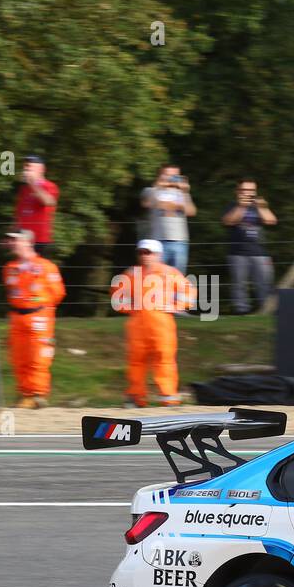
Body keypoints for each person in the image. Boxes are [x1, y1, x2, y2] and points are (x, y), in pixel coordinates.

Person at [110, 239, 194, 407]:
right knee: (136, 361)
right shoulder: (131, 274)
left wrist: (175, 306)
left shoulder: (170, 273)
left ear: (158, 254)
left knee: (164, 359)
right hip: (137, 323)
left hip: (162, 322)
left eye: (148, 252)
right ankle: (135, 397)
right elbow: (116, 296)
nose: (144, 256)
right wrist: (129, 308)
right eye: (141, 252)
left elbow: (188, 293)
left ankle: (168, 396)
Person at [1, 229, 65, 408]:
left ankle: (38, 394)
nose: (12, 243)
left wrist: (43, 310)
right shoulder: (9, 268)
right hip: (16, 316)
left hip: (39, 316)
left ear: (28, 242)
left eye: (16, 240)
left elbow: (58, 293)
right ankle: (25, 394)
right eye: (11, 240)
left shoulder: (46, 266)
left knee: (39, 357)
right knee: (18, 357)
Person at [221, 178, 276, 314]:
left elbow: (271, 220)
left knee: (264, 283)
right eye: (245, 190)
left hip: (259, 252)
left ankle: (267, 311)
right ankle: (241, 311)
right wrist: (242, 206)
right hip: (237, 252)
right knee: (239, 284)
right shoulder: (232, 206)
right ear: (238, 191)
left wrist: (262, 207)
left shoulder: (259, 206)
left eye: (251, 190)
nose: (249, 193)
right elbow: (228, 222)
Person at [140, 164, 196, 274]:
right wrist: (158, 186)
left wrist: (185, 192)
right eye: (167, 175)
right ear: (160, 175)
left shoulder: (182, 194)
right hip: (157, 242)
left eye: (175, 176)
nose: (171, 179)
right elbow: (146, 203)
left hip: (180, 241)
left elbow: (191, 212)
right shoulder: (151, 190)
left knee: (177, 278)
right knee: (156, 277)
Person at [14, 155, 59, 258]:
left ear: (41, 169)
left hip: (39, 240)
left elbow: (48, 201)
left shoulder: (49, 186)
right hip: (23, 239)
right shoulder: (24, 189)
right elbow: (19, 214)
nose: (25, 169)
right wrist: (12, 234)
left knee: (38, 270)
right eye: (25, 166)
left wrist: (32, 184)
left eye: (29, 166)